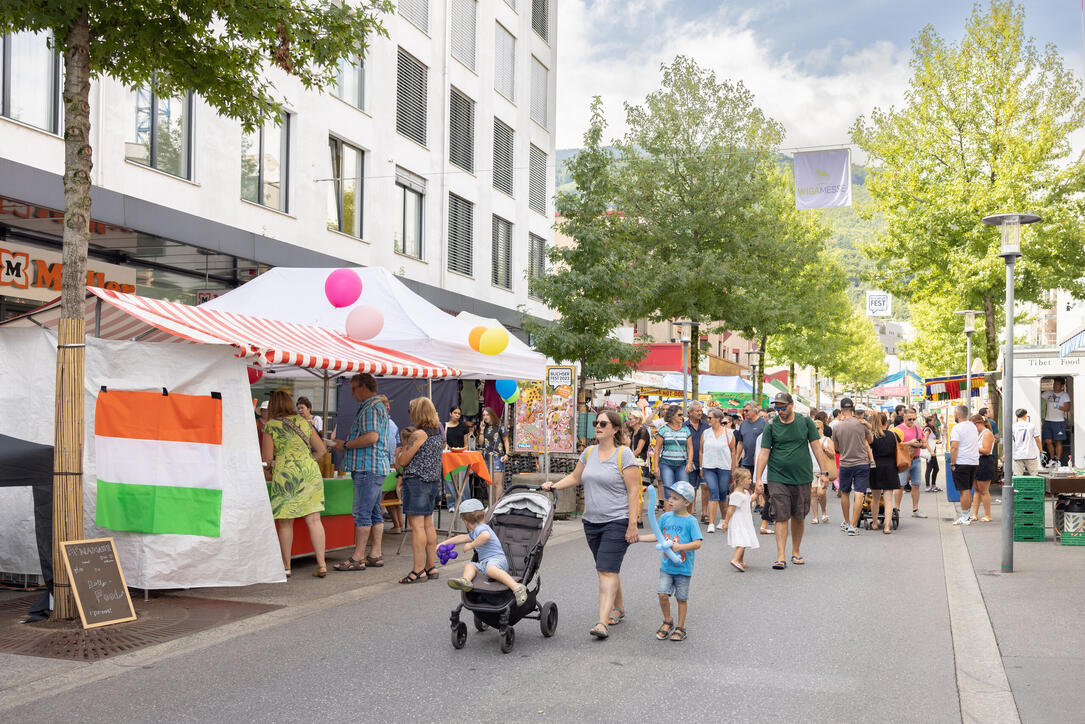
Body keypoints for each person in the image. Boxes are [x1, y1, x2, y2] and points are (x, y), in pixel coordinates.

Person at [543, 410, 640, 640]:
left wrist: (632, 524)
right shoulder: (588, 453)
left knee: (605, 569)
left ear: (615, 429)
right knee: (608, 566)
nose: (597, 426)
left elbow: (634, 490)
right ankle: (618, 608)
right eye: (596, 423)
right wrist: (555, 486)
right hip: (591, 521)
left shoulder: (624, 455)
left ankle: (602, 621)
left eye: (603, 423)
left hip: (616, 520)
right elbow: (576, 478)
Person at [754, 392, 835, 569]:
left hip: (802, 477)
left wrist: (824, 472)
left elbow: (816, 447)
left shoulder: (805, 422)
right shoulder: (771, 425)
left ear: (791, 405)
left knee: (798, 515)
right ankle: (781, 556)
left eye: (783, 407)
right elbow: (764, 452)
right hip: (777, 476)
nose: (780, 411)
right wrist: (758, 478)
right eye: (777, 407)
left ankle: (796, 551)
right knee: (781, 515)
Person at [261, 390, 329, 577]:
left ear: (273, 406)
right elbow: (321, 449)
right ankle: (322, 564)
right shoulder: (304, 422)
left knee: (285, 523)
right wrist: (307, 462)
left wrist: (272, 468)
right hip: (309, 472)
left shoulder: (270, 426)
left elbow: (266, 459)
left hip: (285, 475)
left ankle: (286, 567)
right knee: (314, 519)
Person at [330, 373, 390, 571]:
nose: (352, 392)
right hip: (375, 467)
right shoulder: (376, 406)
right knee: (374, 513)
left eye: (354, 388)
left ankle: (358, 557)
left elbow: (371, 437)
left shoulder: (371, 407)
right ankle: (375, 554)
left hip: (367, 467)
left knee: (362, 513)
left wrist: (346, 444)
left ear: (363, 387)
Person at [636, 481, 702, 642]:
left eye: (675, 498)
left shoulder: (691, 521)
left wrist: (681, 547)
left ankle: (681, 627)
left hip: (683, 568)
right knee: (662, 594)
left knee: (681, 598)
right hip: (666, 566)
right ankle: (667, 621)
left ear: (686, 502)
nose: (670, 501)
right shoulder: (665, 517)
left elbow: (698, 543)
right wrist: (638, 538)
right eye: (670, 497)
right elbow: (657, 536)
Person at [395, 397, 444, 583]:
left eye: (411, 411)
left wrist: (399, 451)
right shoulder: (437, 432)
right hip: (432, 482)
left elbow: (402, 461)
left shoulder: (418, 434)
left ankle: (417, 570)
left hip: (416, 482)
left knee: (417, 527)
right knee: (428, 525)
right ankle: (431, 566)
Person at [444, 499, 528, 605]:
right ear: (483, 515)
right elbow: (462, 537)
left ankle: (517, 587)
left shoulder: (481, 528)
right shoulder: (476, 531)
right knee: (470, 565)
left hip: (497, 560)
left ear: (466, 522)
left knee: (490, 570)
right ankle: (465, 581)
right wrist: (443, 544)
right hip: (485, 563)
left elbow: (485, 536)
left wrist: (471, 545)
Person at [831, 398, 873, 535]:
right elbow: (870, 440)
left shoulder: (837, 426)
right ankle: (853, 526)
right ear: (853, 409)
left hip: (845, 463)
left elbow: (836, 447)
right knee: (860, 492)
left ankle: (847, 521)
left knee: (845, 492)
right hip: (861, 462)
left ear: (841, 409)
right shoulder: (861, 424)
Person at [734, 401, 771, 535]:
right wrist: (736, 459)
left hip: (760, 463)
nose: (745, 412)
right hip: (747, 461)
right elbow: (740, 442)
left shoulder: (763, 423)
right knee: (746, 490)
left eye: (747, 410)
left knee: (764, 490)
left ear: (755, 410)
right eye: (744, 410)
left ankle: (767, 513)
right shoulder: (743, 424)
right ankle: (746, 517)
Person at [700, 408, 736, 532]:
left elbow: (733, 451)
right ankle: (711, 523)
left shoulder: (729, 433)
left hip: (724, 466)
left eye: (710, 418)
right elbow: (701, 451)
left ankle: (723, 519)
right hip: (708, 466)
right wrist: (701, 467)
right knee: (713, 491)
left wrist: (733, 469)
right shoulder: (706, 433)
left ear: (718, 419)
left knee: (722, 493)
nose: (708, 420)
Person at [892, 408, 929, 519]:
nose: (912, 421)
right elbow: (894, 445)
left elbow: (925, 444)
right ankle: (896, 509)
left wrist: (920, 444)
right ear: (904, 418)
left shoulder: (918, 429)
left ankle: (915, 509)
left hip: (916, 459)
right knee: (900, 485)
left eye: (914, 419)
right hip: (903, 460)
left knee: (916, 485)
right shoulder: (897, 429)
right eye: (909, 419)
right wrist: (909, 443)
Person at [869, 412, 900, 534]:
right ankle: (887, 526)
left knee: (875, 498)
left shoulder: (872, 436)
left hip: (875, 467)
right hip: (890, 467)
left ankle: (875, 523)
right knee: (888, 499)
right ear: (886, 423)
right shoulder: (893, 435)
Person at [722, 467, 758, 571]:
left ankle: (741, 560)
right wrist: (726, 522)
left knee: (744, 539)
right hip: (739, 521)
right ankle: (735, 560)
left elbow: (749, 500)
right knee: (742, 541)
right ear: (741, 481)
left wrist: (757, 493)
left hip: (745, 520)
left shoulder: (745, 492)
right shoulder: (736, 495)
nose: (750, 481)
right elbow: (730, 509)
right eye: (748, 478)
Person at [652, 405, 693, 496]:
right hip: (666, 464)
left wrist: (689, 463)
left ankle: (680, 511)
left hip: (682, 465)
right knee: (668, 492)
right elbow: (657, 449)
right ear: (672, 415)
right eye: (679, 415)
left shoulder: (686, 430)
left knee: (683, 491)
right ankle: (668, 511)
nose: (682, 417)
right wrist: (656, 466)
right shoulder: (663, 430)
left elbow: (690, 448)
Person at [950, 405, 980, 526]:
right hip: (973, 461)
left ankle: (965, 517)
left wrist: (952, 462)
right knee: (967, 489)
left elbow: (954, 447)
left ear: (958, 414)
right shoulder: (973, 426)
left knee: (964, 490)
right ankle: (966, 515)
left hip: (961, 461)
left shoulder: (957, 428)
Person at [684, 402, 710, 523]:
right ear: (690, 413)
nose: (700, 413)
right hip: (689, 461)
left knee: (705, 487)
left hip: (705, 460)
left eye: (701, 410)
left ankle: (704, 513)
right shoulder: (684, 426)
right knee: (691, 488)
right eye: (697, 411)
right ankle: (690, 512)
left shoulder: (706, 425)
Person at [627, 411, 653, 528]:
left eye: (631, 418)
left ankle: (639, 519)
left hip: (640, 463)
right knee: (634, 491)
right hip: (634, 462)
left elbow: (638, 450)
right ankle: (636, 517)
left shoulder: (643, 431)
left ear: (638, 420)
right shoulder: (634, 432)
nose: (629, 420)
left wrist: (626, 457)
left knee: (638, 492)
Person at [478, 406, 510, 500]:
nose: (485, 417)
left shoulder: (499, 426)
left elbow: (506, 440)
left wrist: (507, 454)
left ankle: (497, 505)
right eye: (484, 415)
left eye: (487, 414)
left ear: (492, 414)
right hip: (486, 457)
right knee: (488, 483)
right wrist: (482, 430)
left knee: (497, 483)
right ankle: (491, 505)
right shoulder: (485, 427)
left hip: (497, 456)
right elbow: (480, 443)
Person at [971, 414, 996, 523]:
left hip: (985, 461)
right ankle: (974, 513)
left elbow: (986, 450)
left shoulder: (987, 434)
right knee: (976, 489)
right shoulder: (978, 434)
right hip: (976, 461)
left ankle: (987, 514)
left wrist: (973, 447)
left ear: (977, 423)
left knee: (984, 490)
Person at [810, 418, 835, 525]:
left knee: (821, 492)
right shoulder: (809, 440)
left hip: (823, 471)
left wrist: (823, 448)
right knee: (813, 493)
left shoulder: (827, 440)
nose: (816, 430)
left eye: (818, 428)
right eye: (814, 428)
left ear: (822, 429)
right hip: (811, 469)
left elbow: (833, 454)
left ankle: (824, 512)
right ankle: (815, 516)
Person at [1042, 378, 1071, 466]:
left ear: (1062, 386)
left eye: (1057, 384)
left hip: (1059, 421)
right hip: (1048, 421)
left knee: (1058, 441)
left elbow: (1067, 408)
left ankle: (1058, 460)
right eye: (1054, 384)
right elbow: (1036, 395)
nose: (1055, 386)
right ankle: (1052, 459)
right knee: (1048, 441)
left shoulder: (1064, 395)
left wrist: (1058, 406)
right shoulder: (1048, 393)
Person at [1012, 408, 1042, 477]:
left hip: (1018, 455)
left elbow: (1008, 441)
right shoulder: (1031, 426)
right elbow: (1037, 440)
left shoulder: (1013, 427)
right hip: (1030, 454)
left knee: (1018, 477)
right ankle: (1034, 487)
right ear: (1025, 416)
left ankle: (1017, 488)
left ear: (1016, 417)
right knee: (1034, 475)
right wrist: (1041, 450)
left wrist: (1004, 454)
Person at [923, 414, 942, 493]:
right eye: (933, 421)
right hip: (930, 453)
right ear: (929, 422)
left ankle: (933, 486)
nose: (935, 423)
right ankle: (928, 486)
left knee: (936, 469)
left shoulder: (931, 429)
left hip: (932, 452)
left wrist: (936, 441)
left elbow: (931, 440)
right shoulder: (928, 429)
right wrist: (931, 452)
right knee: (929, 469)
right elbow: (925, 441)